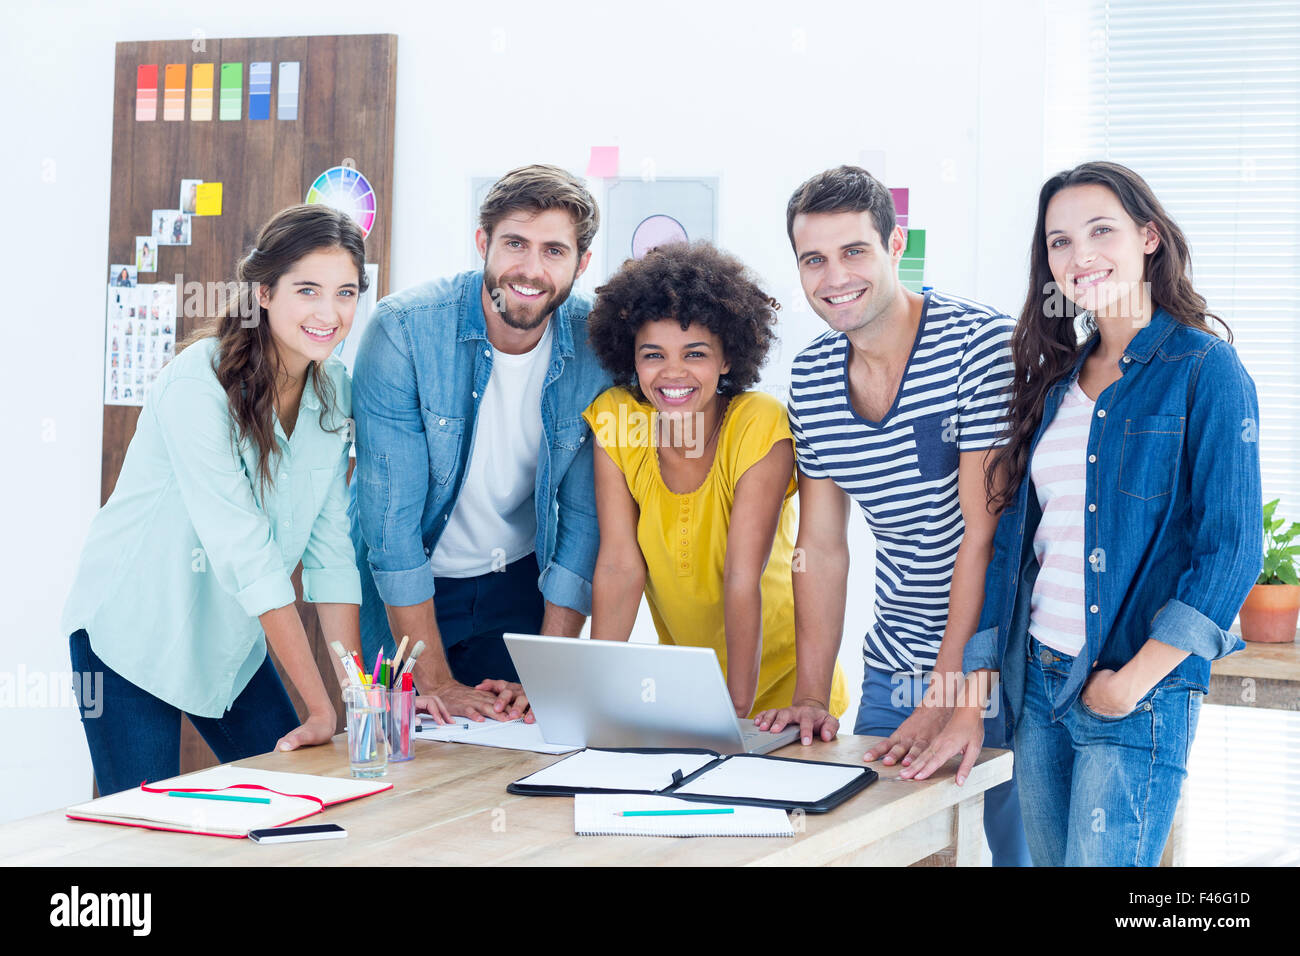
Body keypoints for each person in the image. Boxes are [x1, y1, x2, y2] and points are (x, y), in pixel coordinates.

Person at [908, 161, 1263, 866]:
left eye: (1100, 230)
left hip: (1134, 688)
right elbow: (1017, 550)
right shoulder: (1056, 379)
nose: (1080, 255)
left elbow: (1232, 549)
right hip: (1038, 683)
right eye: (1060, 241)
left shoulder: (1205, 370)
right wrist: (980, 688)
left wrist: (1132, 681)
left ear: (1149, 237)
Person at [754, 165, 1031, 865]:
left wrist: (948, 692)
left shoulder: (979, 346)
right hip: (894, 667)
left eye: (854, 252)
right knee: (889, 852)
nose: (834, 276)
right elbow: (821, 546)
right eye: (813, 259)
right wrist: (813, 697)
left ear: (895, 244)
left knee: (1018, 854)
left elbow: (983, 538)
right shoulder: (813, 378)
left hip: (998, 665)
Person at [62, 203, 368, 796]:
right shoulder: (196, 384)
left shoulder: (334, 391)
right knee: (144, 833)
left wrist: (357, 706)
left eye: (346, 292)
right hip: (131, 636)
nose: (329, 313)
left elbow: (332, 557)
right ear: (264, 292)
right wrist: (319, 708)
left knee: (299, 804)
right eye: (308, 290)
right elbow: (247, 556)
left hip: (228, 642)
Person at [349, 164, 610, 724]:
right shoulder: (404, 331)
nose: (531, 269)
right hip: (404, 588)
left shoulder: (597, 346)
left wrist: (553, 672)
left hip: (516, 583)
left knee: (514, 748)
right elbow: (391, 527)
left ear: (581, 263)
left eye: (554, 251)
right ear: (482, 243)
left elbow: (586, 520)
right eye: (514, 243)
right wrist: (437, 679)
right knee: (401, 758)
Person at [582, 241, 850, 718]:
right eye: (653, 355)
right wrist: (596, 698)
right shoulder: (618, 420)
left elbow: (741, 577)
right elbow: (620, 566)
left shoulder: (757, 423)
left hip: (785, 696)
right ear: (632, 359)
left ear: (727, 359)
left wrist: (736, 713)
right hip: (695, 694)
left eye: (696, 353)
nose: (673, 372)